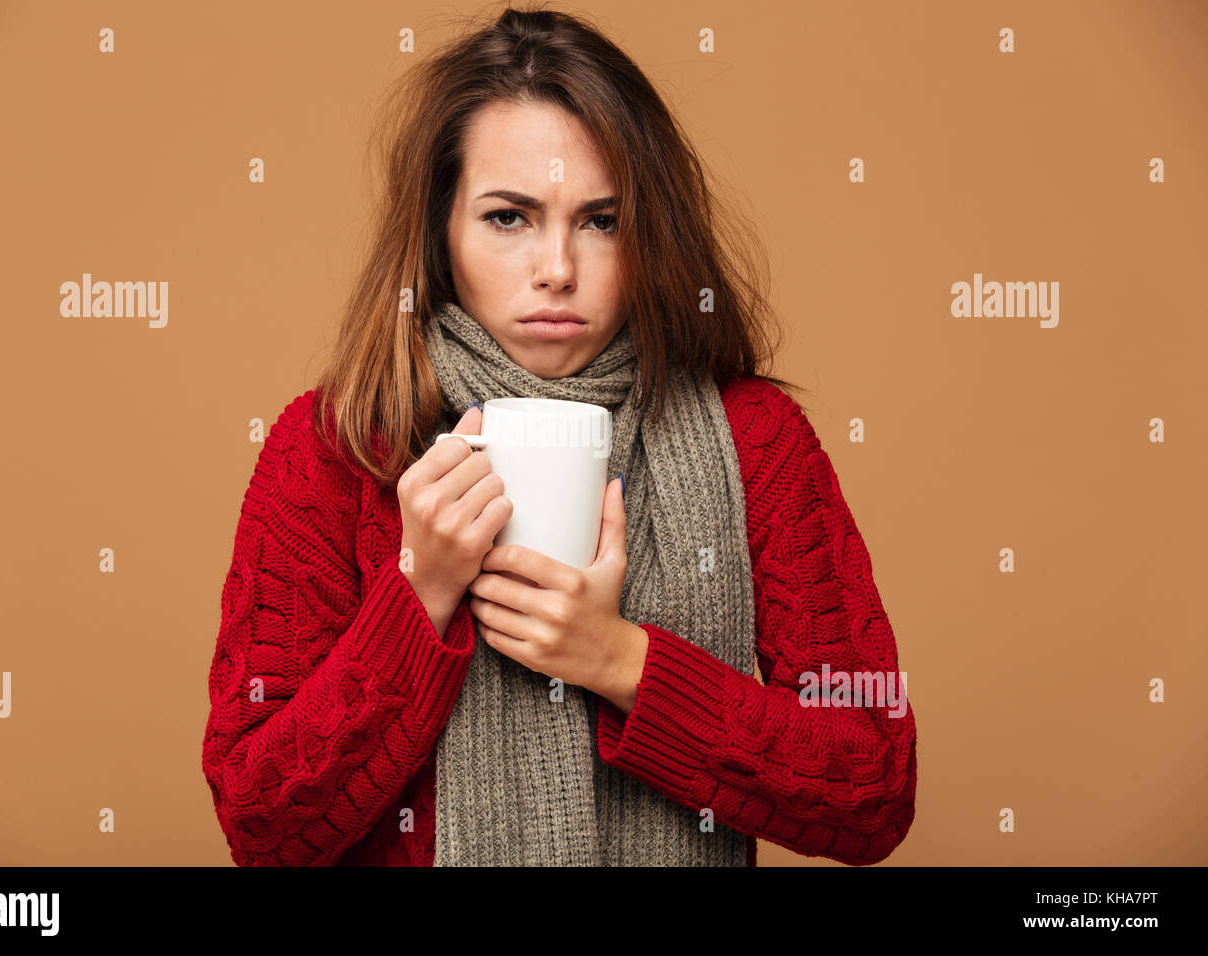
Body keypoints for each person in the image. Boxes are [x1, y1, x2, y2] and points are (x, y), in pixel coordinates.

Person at [201, 5, 917, 867]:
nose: (557, 269)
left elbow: (874, 787)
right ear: (442, 232)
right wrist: (419, 596)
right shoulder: (337, 446)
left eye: (601, 220)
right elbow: (262, 824)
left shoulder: (757, 442)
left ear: (648, 232)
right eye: (509, 217)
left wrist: (623, 663)